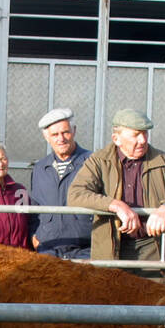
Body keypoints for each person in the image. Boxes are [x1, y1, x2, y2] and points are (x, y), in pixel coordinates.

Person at [66, 109, 165, 282]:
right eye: (136, 135)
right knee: (111, 303)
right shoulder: (99, 161)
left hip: (153, 248)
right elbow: (76, 193)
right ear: (116, 139)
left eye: (145, 134)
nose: (143, 140)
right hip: (111, 249)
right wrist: (116, 205)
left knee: (156, 304)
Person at [29, 106, 93, 257]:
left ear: (74, 131)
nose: (61, 138)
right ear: (47, 137)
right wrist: (34, 234)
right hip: (48, 248)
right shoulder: (40, 168)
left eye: (65, 132)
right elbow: (34, 207)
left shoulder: (92, 163)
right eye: (55, 134)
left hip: (84, 249)